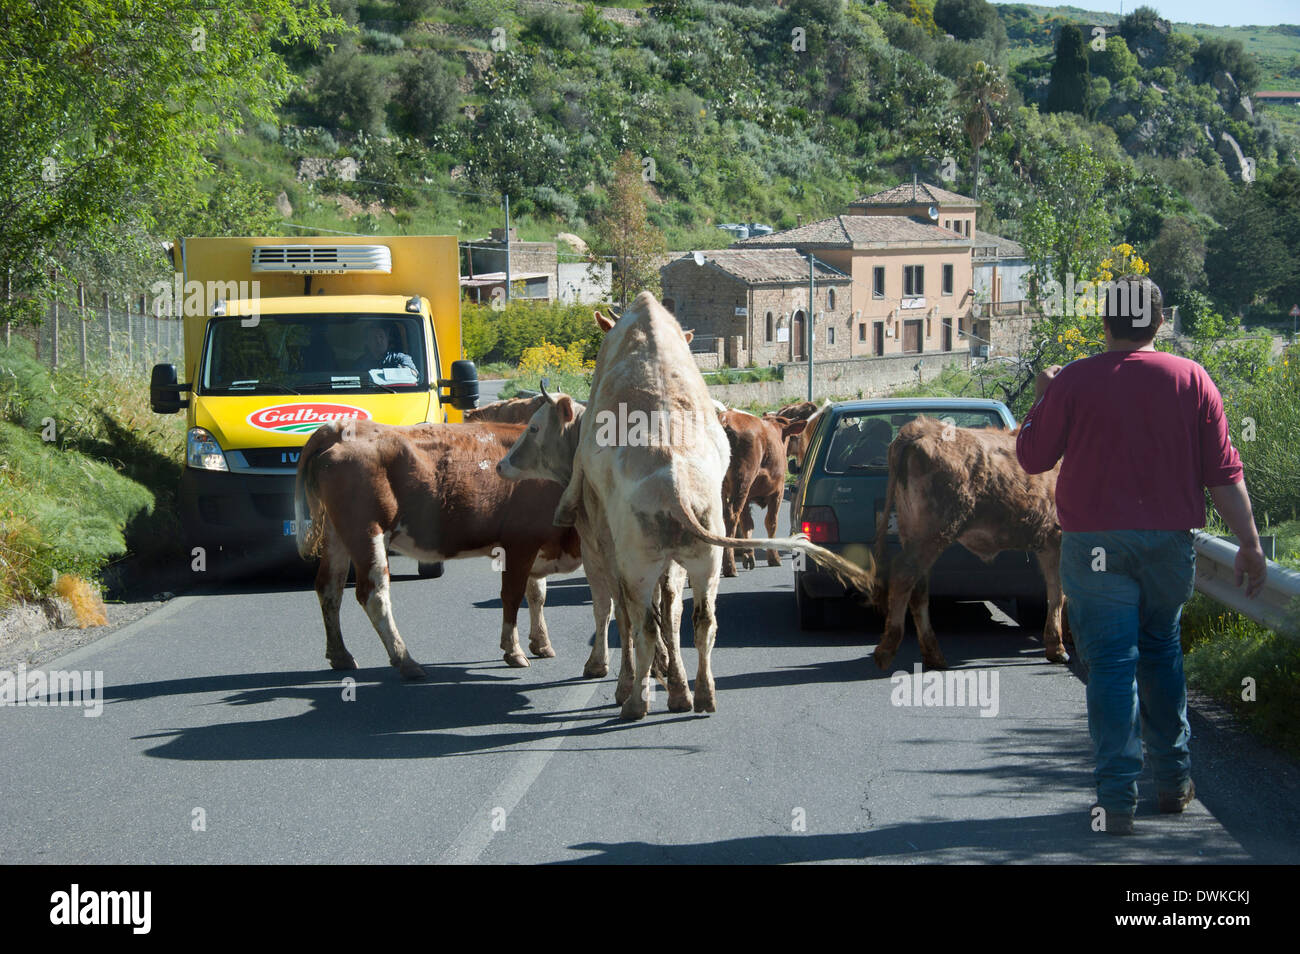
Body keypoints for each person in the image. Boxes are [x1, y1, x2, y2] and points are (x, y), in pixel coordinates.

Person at [1015, 275, 1267, 836]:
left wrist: (1042, 399)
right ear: (1160, 321)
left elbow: (1032, 459)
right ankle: (1174, 781)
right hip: (1168, 544)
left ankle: (1116, 799)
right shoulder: (1192, 379)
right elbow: (1224, 474)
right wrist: (1250, 544)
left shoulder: (1074, 381)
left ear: (1105, 322)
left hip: (1095, 545)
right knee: (1161, 650)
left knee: (1111, 664)